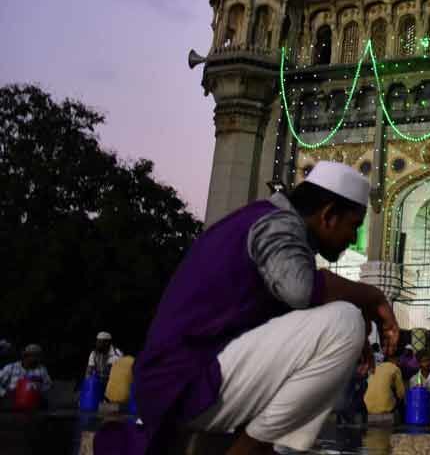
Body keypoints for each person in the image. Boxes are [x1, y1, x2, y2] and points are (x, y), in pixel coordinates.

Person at [95, 161, 400, 455]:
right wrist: (369, 297)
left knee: (340, 322)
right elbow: (301, 289)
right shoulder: (277, 223)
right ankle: (251, 449)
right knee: (344, 323)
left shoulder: (262, 222)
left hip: (181, 383)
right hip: (185, 382)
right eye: (354, 226)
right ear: (328, 215)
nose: (353, 238)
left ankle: (244, 444)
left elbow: (280, 315)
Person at [409, 350, 430, 420]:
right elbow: (414, 399)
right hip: (419, 411)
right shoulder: (413, 379)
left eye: (428, 360)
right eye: (424, 361)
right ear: (419, 363)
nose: (427, 363)